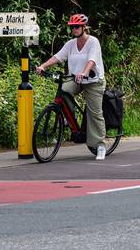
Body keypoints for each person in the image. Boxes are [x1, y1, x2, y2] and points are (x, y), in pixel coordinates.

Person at [36, 14, 106, 150]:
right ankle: (70, 120)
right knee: (64, 90)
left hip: (93, 81)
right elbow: (58, 56)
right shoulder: (70, 44)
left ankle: (99, 145)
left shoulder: (93, 42)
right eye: (72, 27)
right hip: (76, 79)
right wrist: (43, 66)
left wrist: (85, 72)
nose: (74, 29)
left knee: (95, 113)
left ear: (84, 27)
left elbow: (92, 60)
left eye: (76, 27)